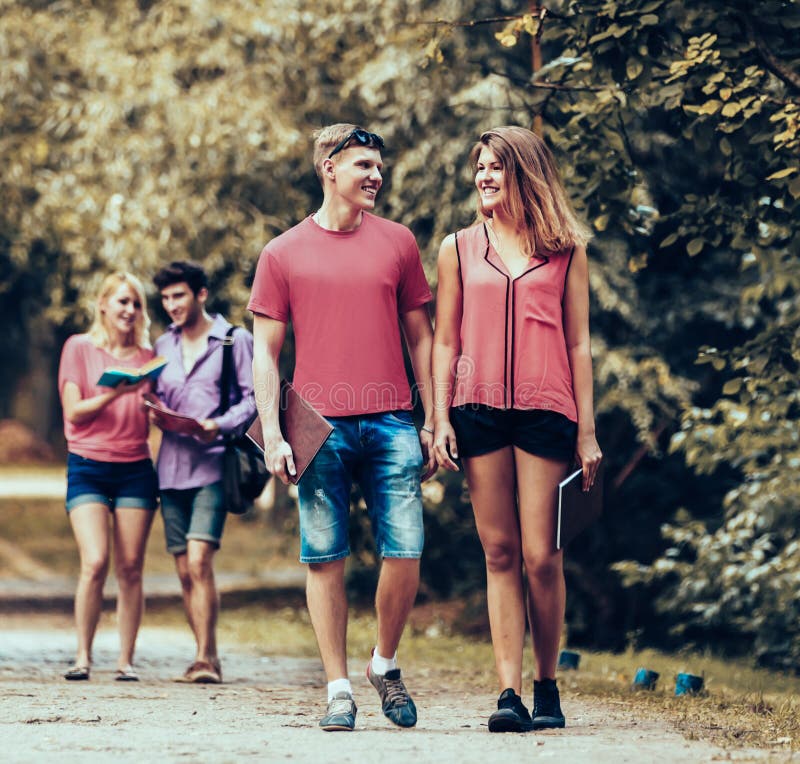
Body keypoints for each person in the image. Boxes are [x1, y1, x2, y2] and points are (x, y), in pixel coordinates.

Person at [248, 124, 436, 732]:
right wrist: (273, 434)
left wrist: (434, 418)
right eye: (363, 165)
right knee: (324, 557)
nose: (376, 175)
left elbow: (422, 339)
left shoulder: (400, 243)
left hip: (391, 420)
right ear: (329, 168)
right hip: (316, 423)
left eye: (378, 165)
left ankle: (384, 663)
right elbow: (264, 355)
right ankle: (337, 689)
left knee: (405, 549)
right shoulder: (282, 253)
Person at [431, 126, 602, 732]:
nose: (483, 176)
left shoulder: (565, 248)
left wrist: (587, 431)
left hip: (546, 408)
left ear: (524, 173)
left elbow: (579, 343)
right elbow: (446, 338)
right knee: (498, 551)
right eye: (478, 166)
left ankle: (547, 683)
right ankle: (508, 693)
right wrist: (438, 416)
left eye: (495, 167)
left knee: (541, 556)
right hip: (476, 408)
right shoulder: (456, 247)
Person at [151, 261, 256, 684]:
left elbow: (252, 401)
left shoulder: (235, 340)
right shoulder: (160, 346)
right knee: (181, 569)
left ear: (201, 295)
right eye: (165, 298)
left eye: (179, 296)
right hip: (170, 471)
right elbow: (155, 395)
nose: (172, 305)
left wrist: (217, 424)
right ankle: (204, 655)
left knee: (199, 561)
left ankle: (205, 658)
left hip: (213, 463)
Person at [58, 271, 159, 682]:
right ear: (103, 305)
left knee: (131, 566)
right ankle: (82, 656)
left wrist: (155, 412)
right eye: (122, 302)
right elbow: (73, 412)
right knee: (96, 561)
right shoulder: (79, 349)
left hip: (135, 468)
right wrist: (118, 391)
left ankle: (126, 660)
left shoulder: (149, 357)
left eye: (135, 304)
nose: (130, 310)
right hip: (88, 466)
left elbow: (152, 416)